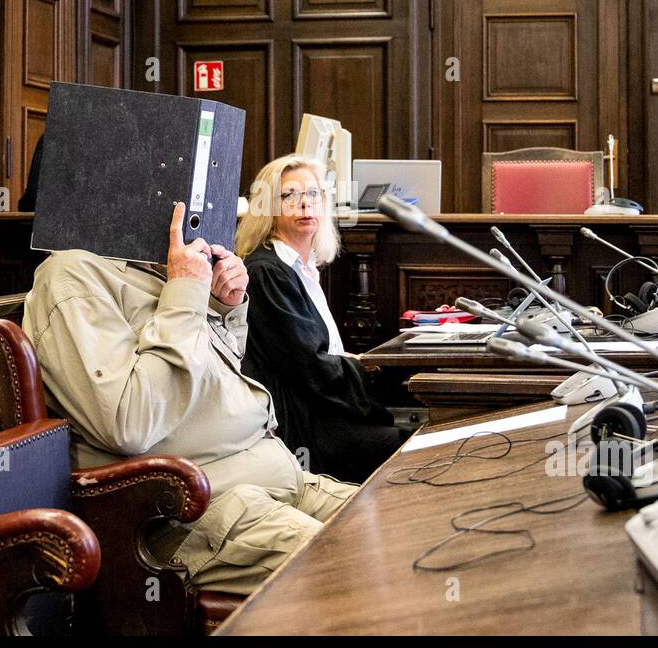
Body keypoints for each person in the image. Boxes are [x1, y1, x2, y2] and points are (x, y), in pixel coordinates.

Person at [23, 201, 357, 596]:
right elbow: (129, 421)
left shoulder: (149, 265)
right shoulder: (72, 276)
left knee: (413, 526)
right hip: (199, 510)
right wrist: (185, 291)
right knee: (356, 565)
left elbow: (210, 382)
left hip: (278, 477)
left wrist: (223, 307)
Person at [235, 156, 404, 482]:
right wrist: (364, 368)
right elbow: (309, 366)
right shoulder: (266, 271)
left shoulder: (302, 267)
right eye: (289, 196)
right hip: (301, 425)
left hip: (323, 408)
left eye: (313, 194)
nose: (303, 205)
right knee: (408, 443)